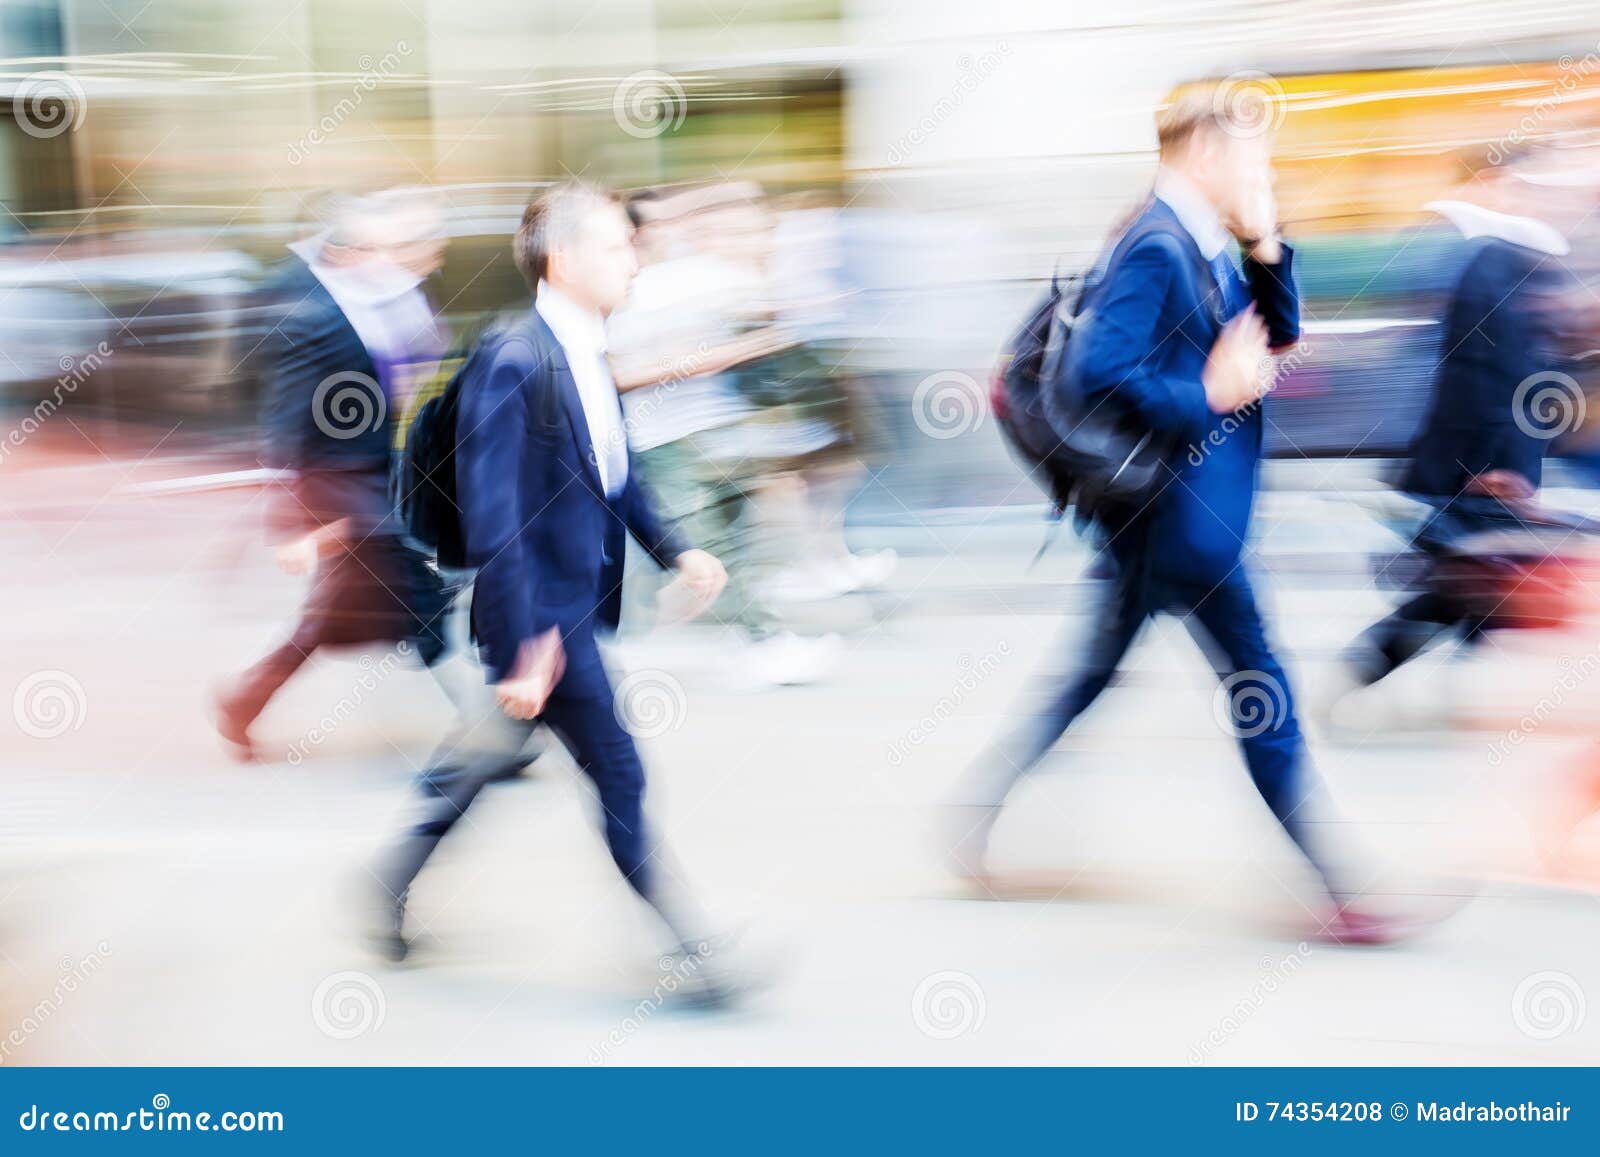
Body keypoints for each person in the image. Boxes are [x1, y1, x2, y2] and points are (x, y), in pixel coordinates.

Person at [945, 84, 1399, 943]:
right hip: (1183, 525)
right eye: (1253, 155)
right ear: (1206, 150)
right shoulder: (1155, 243)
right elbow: (1098, 375)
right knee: (1262, 687)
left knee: (1091, 676)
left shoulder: (1200, 237)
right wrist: (1208, 395)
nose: (1263, 171)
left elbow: (1279, 335)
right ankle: (1340, 889)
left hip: (1168, 521)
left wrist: (1265, 242)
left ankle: (975, 812)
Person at [370, 182, 736, 995]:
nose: (633, 260)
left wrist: (679, 550)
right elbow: (496, 515)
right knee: (620, 773)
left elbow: (617, 476)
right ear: (564, 260)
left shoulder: (585, 350)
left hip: (566, 612)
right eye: (616, 247)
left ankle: (387, 882)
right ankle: (696, 955)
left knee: (483, 757)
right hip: (543, 620)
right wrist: (524, 645)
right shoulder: (515, 359)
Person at [1326, 148, 1587, 705]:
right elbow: (1483, 376)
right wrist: (1495, 470)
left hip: (1485, 465)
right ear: (1491, 184)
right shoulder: (1488, 262)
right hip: (1479, 470)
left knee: (1475, 582)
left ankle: (1412, 681)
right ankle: (1390, 674)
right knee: (1472, 581)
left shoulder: (1510, 259)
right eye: (1524, 185)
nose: (1539, 198)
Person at [213, 188, 452, 760]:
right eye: (373, 247)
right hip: (339, 485)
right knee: (417, 588)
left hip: (375, 474)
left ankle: (245, 699)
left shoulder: (376, 296)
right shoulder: (311, 311)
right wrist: (290, 519)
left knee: (337, 611)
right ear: (343, 251)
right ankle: (489, 726)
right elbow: (286, 415)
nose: (386, 257)